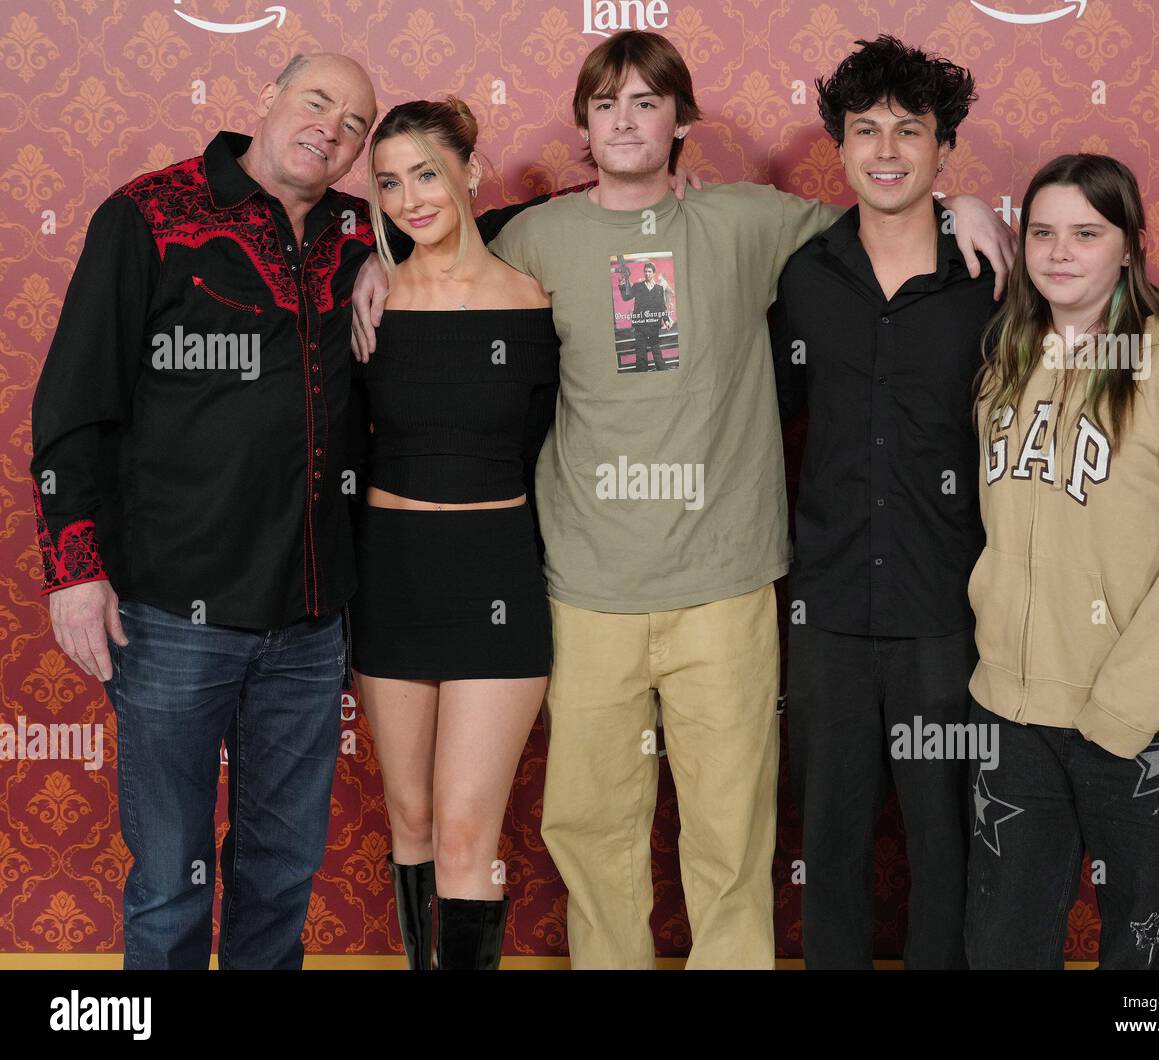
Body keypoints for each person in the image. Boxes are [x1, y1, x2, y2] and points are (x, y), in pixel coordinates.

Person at [352, 30, 1015, 969]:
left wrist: (961, 205)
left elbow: (884, 208)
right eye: (607, 104)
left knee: (730, 841)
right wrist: (376, 264)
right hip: (585, 591)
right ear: (582, 123)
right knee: (592, 838)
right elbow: (437, 241)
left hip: (727, 588)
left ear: (680, 121)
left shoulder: (751, 219)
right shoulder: (535, 236)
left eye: (647, 103)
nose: (626, 121)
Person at [30, 52, 380, 969]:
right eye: (316, 101)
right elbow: (74, 407)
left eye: (354, 123)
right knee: (169, 878)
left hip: (310, 624)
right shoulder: (148, 214)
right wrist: (75, 573)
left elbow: (470, 233)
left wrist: (662, 188)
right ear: (266, 100)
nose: (331, 128)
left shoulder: (362, 233)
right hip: (170, 617)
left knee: (280, 873)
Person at [965, 153, 1159, 968]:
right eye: (1040, 232)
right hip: (1019, 712)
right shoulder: (1008, 356)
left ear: (1130, 245)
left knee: (1145, 963)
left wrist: (1123, 708)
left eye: (1086, 233)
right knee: (1001, 947)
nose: (1059, 252)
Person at [770, 36, 993, 970]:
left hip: (950, 610)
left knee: (950, 846)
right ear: (841, 146)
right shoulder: (800, 275)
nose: (888, 149)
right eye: (867, 130)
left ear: (944, 149)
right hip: (825, 613)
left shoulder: (994, 280)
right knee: (830, 847)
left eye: (912, 129)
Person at [349, 97, 559, 971]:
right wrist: (368, 260)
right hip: (392, 574)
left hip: (497, 576)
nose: (409, 199)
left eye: (426, 174)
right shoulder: (368, 296)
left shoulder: (536, 296)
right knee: (411, 820)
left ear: (471, 171)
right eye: (389, 183)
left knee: (471, 826)